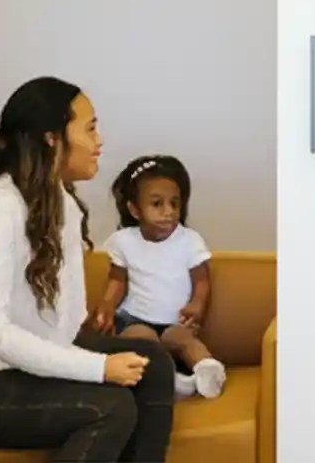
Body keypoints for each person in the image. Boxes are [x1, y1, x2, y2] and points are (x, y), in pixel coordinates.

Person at [0, 76, 175, 463]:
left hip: (18, 363)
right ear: (52, 137)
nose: (99, 141)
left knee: (153, 364)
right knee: (111, 407)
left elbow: (68, 320)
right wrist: (99, 368)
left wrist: (91, 360)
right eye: (90, 128)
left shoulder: (60, 203)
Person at [91, 154, 227, 400]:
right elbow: (117, 280)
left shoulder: (189, 241)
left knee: (182, 339)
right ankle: (171, 382)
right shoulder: (123, 242)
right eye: (157, 204)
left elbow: (202, 280)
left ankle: (207, 368)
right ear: (134, 209)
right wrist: (107, 305)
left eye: (174, 204)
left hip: (176, 321)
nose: (169, 212)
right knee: (141, 339)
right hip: (135, 318)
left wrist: (197, 304)